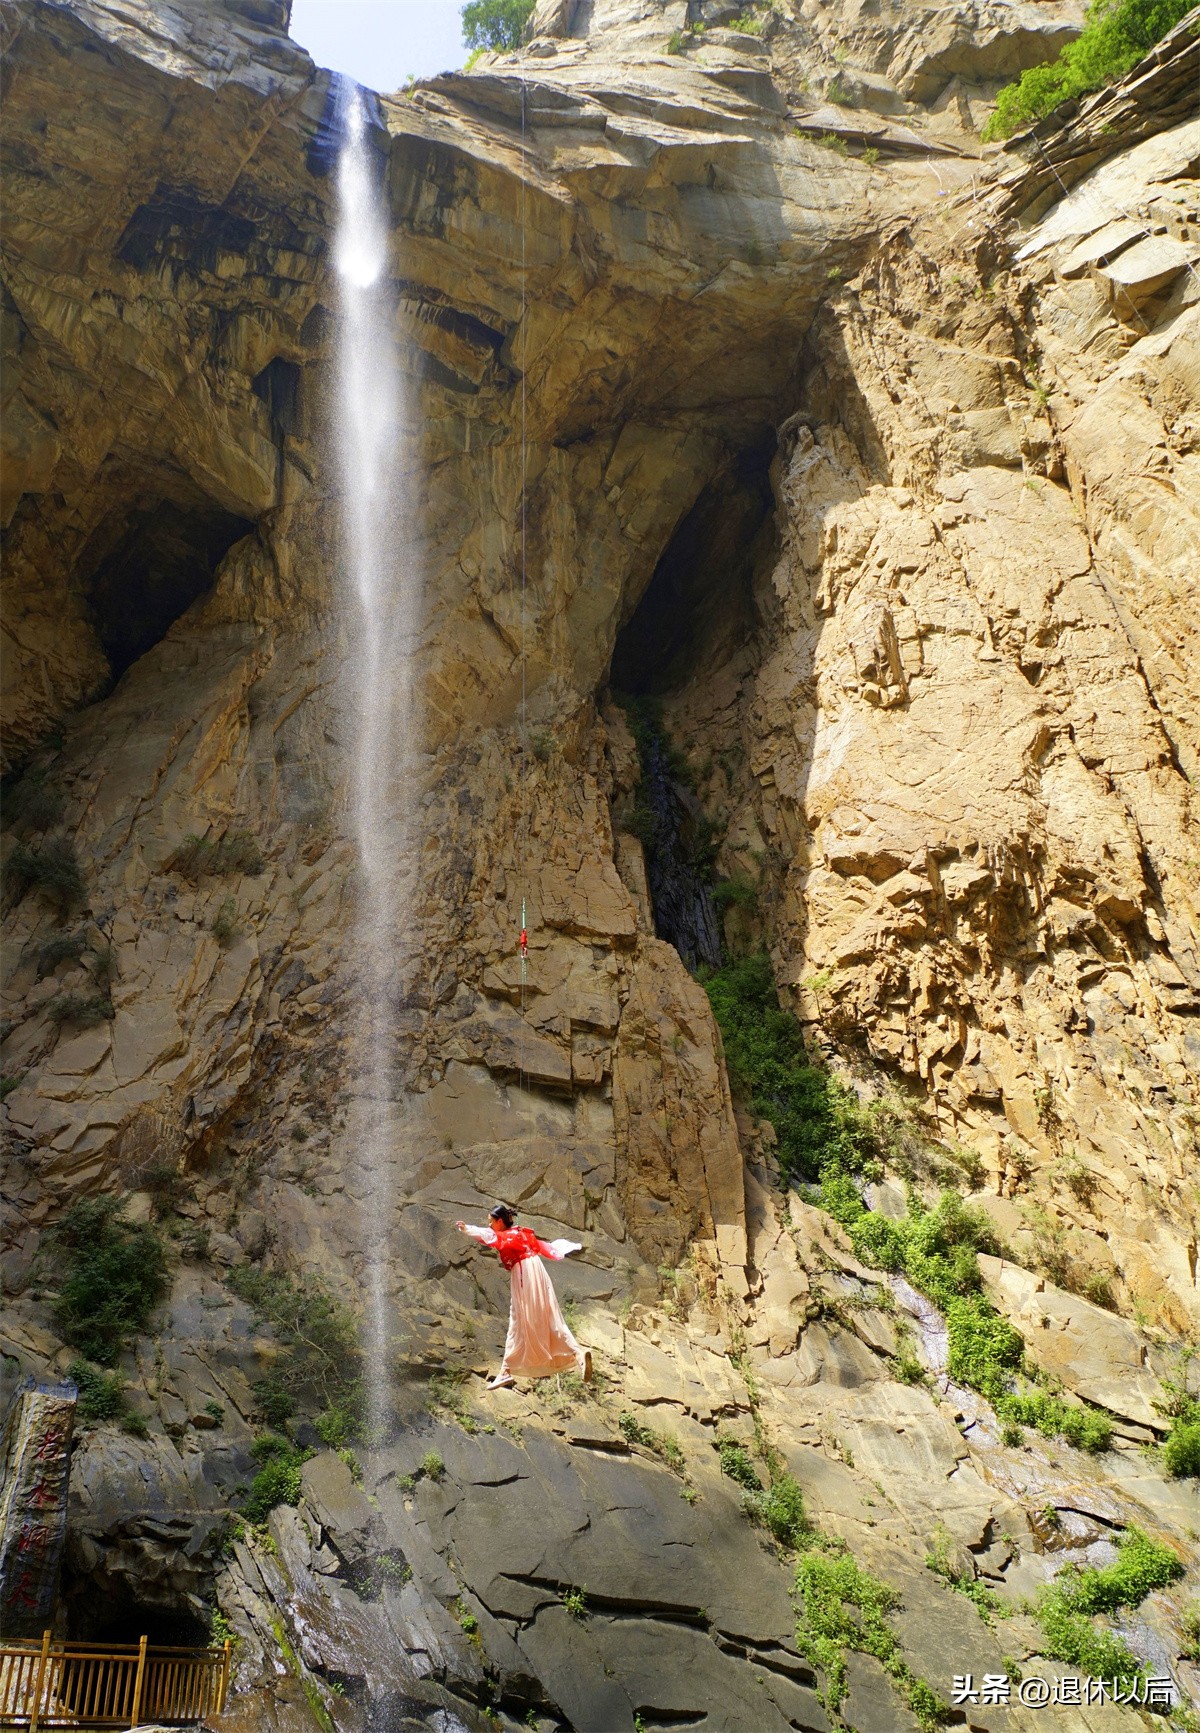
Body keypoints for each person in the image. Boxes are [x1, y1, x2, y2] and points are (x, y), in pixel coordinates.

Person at [456, 1204, 592, 1390]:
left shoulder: (506, 1235)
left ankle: (505, 1371)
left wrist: (466, 1229)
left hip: (523, 1272)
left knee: (518, 1320)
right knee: (551, 1317)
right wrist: (570, 1246)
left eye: (491, 1221)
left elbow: (487, 1236)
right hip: (538, 1271)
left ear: (500, 1221)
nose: (489, 1225)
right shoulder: (522, 1234)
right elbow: (546, 1246)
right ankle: (578, 1355)